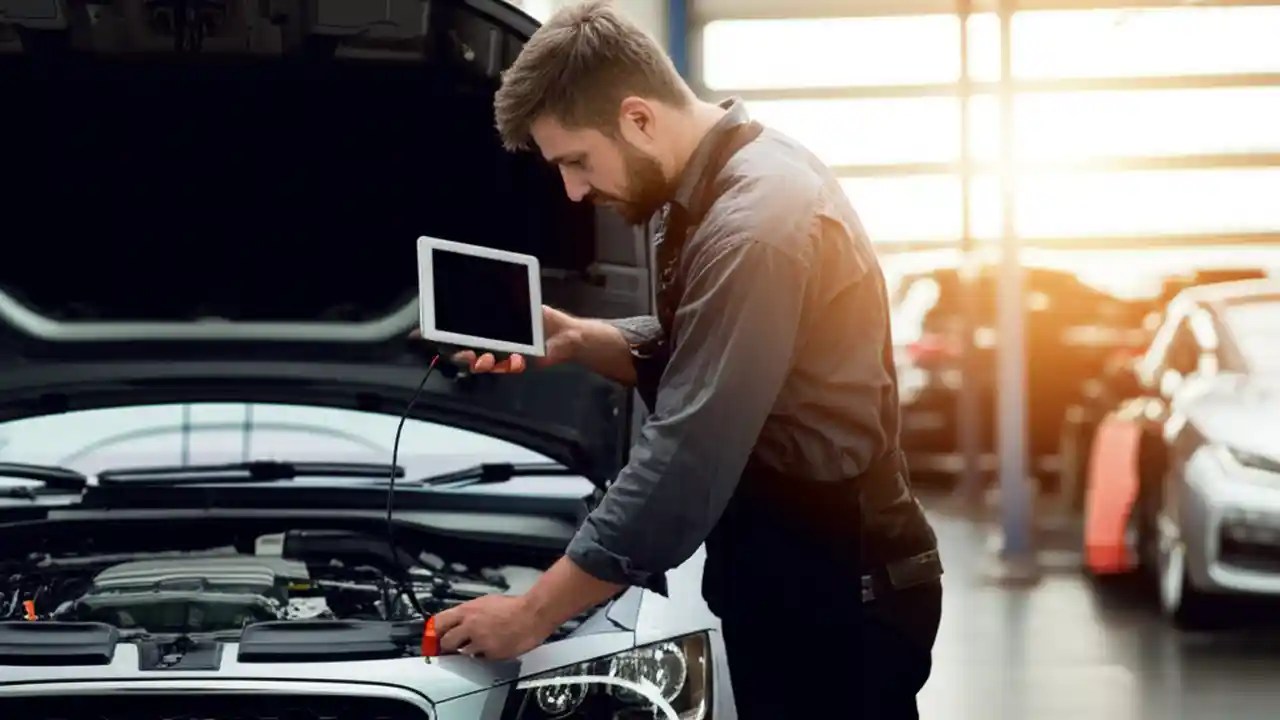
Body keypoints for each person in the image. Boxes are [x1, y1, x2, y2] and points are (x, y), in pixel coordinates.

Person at [429, 1, 944, 717]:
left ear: (638, 117)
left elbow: (688, 454)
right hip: (797, 574)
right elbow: (712, 351)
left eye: (577, 160)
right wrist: (580, 339)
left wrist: (532, 614)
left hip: (837, 595)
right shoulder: (725, 185)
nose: (575, 190)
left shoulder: (755, 223)